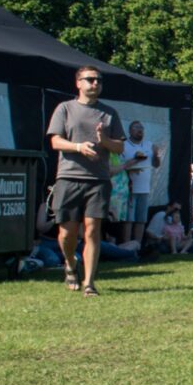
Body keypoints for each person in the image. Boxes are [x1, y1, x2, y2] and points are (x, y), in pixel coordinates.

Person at [47, 66, 125, 296]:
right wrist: (79, 147)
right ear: (78, 83)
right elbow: (55, 142)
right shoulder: (65, 109)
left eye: (99, 80)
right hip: (69, 177)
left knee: (92, 231)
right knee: (67, 234)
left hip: (98, 180)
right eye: (90, 80)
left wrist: (104, 139)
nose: (95, 84)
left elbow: (119, 147)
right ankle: (70, 264)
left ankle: (89, 283)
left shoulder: (109, 113)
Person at [120, 121, 162, 246]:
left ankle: (137, 245)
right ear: (130, 131)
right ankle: (126, 245)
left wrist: (156, 155)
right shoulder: (124, 145)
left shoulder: (149, 145)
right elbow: (120, 166)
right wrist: (134, 163)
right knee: (129, 219)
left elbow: (156, 164)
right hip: (130, 187)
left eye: (141, 128)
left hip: (144, 188)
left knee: (141, 219)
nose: (140, 130)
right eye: (136, 128)